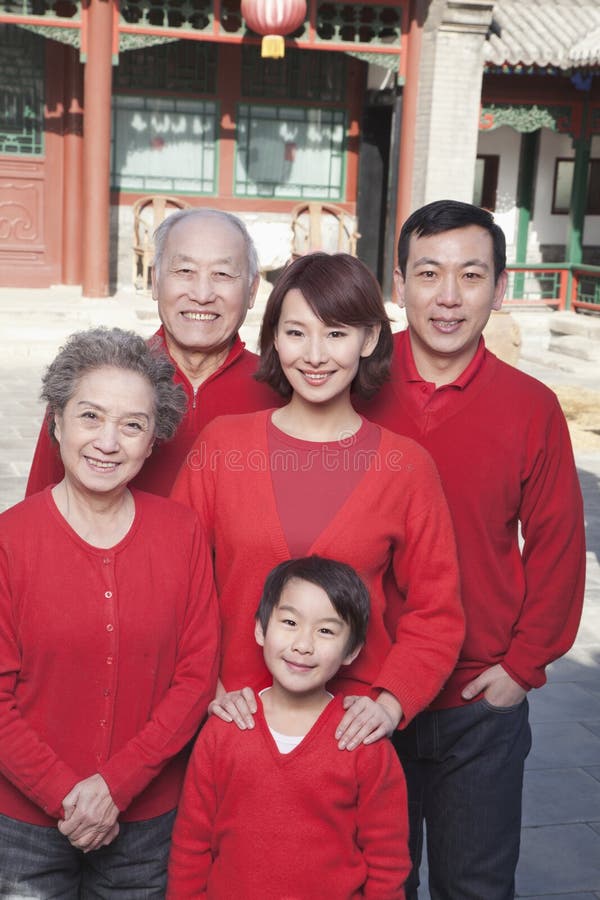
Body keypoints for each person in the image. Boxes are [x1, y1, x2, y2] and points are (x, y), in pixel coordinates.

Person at [357, 200, 586, 900]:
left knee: (476, 886)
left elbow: (558, 546)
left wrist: (522, 666)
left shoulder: (530, 405)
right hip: (361, 689)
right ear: (399, 284)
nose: (448, 297)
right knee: (370, 883)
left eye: (471, 275)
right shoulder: (354, 383)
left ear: (500, 287)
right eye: (428, 273)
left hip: (476, 698)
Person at [172, 251, 464, 754]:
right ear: (274, 338)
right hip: (232, 723)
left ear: (369, 339)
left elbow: (436, 611)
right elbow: (174, 584)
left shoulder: (407, 467)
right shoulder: (223, 446)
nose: (314, 355)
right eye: (296, 332)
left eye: (336, 333)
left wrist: (391, 703)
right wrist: (205, 689)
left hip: (347, 742)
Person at [0, 327, 220, 897]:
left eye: (133, 425)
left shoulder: (182, 533)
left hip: (145, 824)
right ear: (58, 423)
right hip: (21, 826)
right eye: (91, 417)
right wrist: (68, 795)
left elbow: (196, 679)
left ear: (153, 441)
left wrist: (115, 787)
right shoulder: (9, 541)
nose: (109, 441)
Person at [167, 555, 411, 899]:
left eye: (325, 630)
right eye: (290, 622)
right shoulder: (224, 730)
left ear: (352, 651)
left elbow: (387, 865)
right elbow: (191, 848)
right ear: (260, 629)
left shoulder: (363, 743)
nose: (303, 644)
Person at [25, 209, 279, 498]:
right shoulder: (92, 380)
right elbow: (38, 515)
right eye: (184, 271)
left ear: (252, 289)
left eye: (222, 274)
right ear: (155, 280)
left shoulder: (281, 389)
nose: (202, 294)